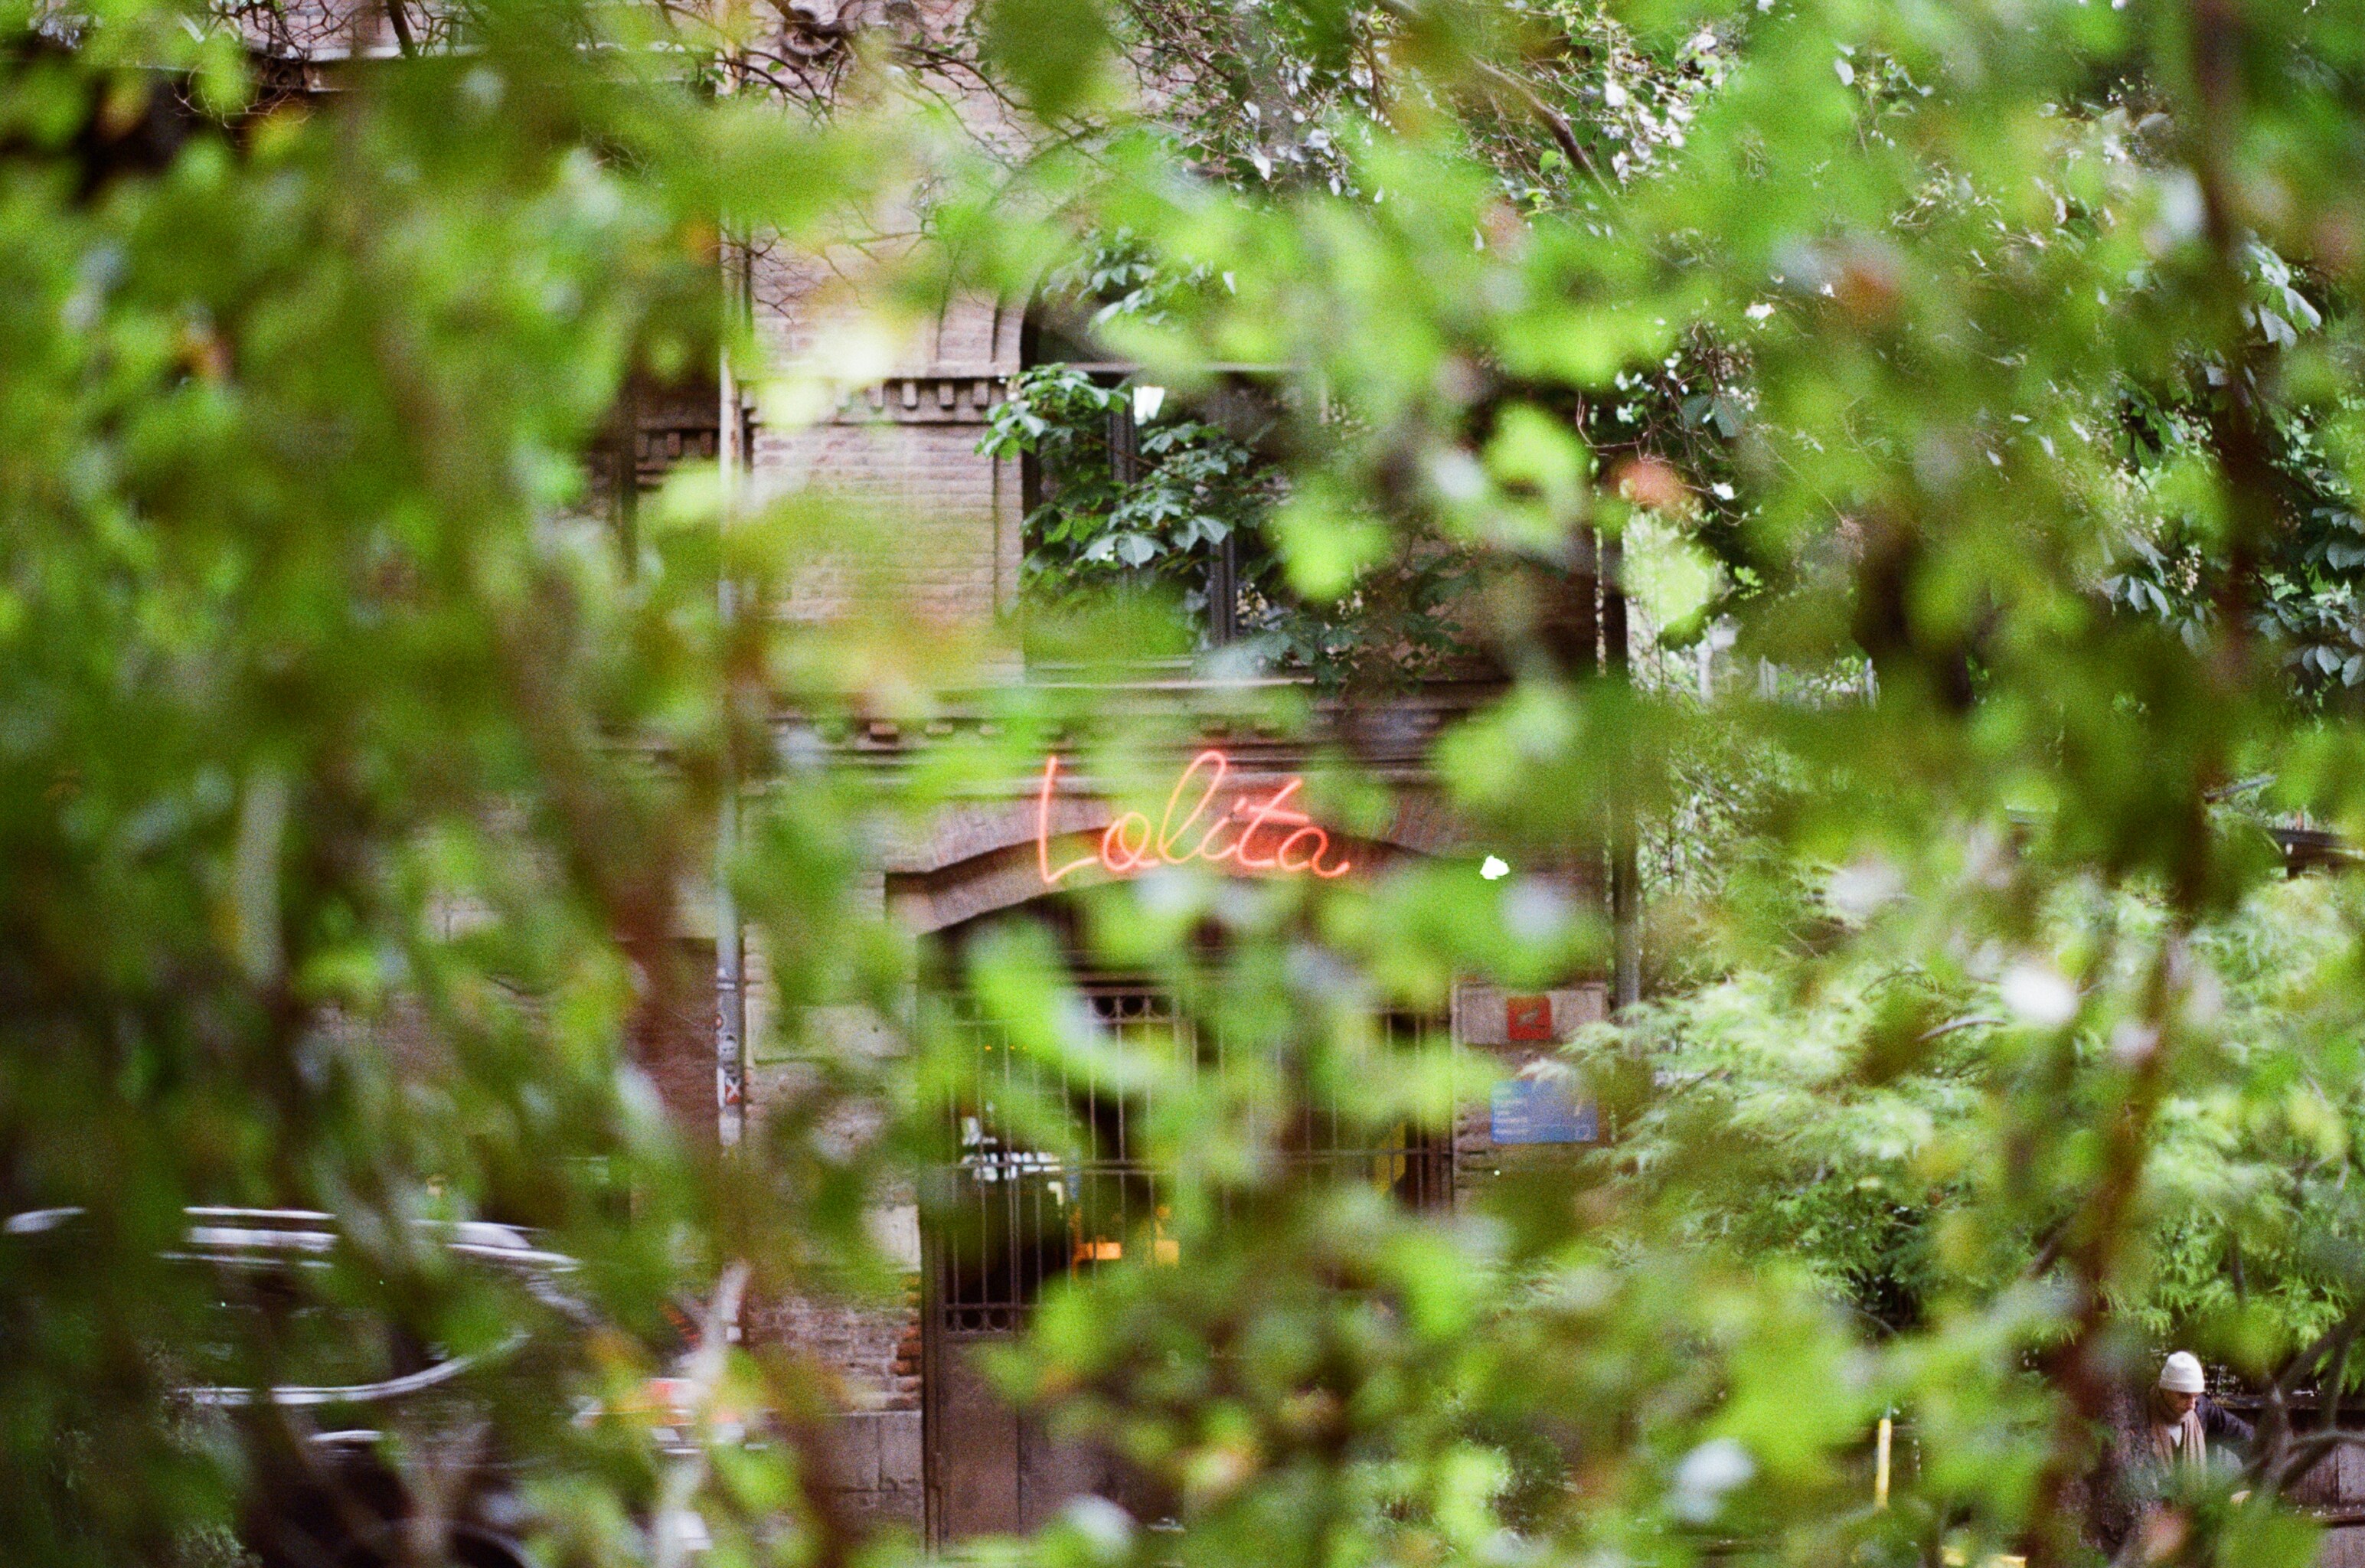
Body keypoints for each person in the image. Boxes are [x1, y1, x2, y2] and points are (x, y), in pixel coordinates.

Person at [2149, 1351, 2252, 1476]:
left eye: (2196, 1396)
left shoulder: (2201, 1407)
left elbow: (2242, 1434)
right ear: (2165, 1390)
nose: (2192, 1405)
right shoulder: (2142, 1411)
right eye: (2184, 1396)